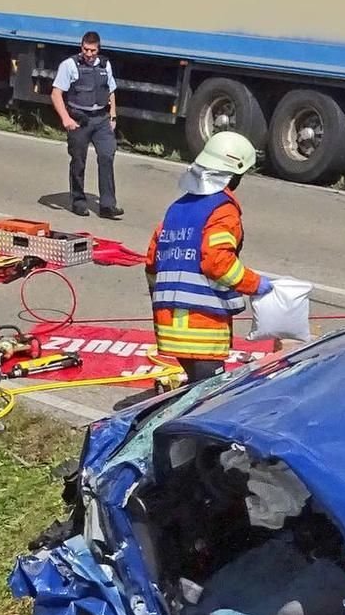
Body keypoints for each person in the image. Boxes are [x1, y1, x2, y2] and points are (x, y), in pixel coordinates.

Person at [146, 131, 271, 385]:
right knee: (207, 395)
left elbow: (151, 261)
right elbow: (217, 262)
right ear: (236, 174)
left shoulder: (177, 208)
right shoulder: (222, 210)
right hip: (201, 326)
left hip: (169, 324)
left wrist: (161, 300)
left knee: (194, 388)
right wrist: (255, 284)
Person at [51, 30, 121, 219]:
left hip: (101, 119)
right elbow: (56, 93)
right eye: (86, 50)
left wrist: (113, 115)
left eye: (93, 50)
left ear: (98, 49)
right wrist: (66, 118)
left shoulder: (105, 65)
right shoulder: (70, 65)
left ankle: (107, 205)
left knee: (107, 156)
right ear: (81, 47)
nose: (89, 54)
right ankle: (78, 201)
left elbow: (111, 90)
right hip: (79, 119)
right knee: (78, 160)